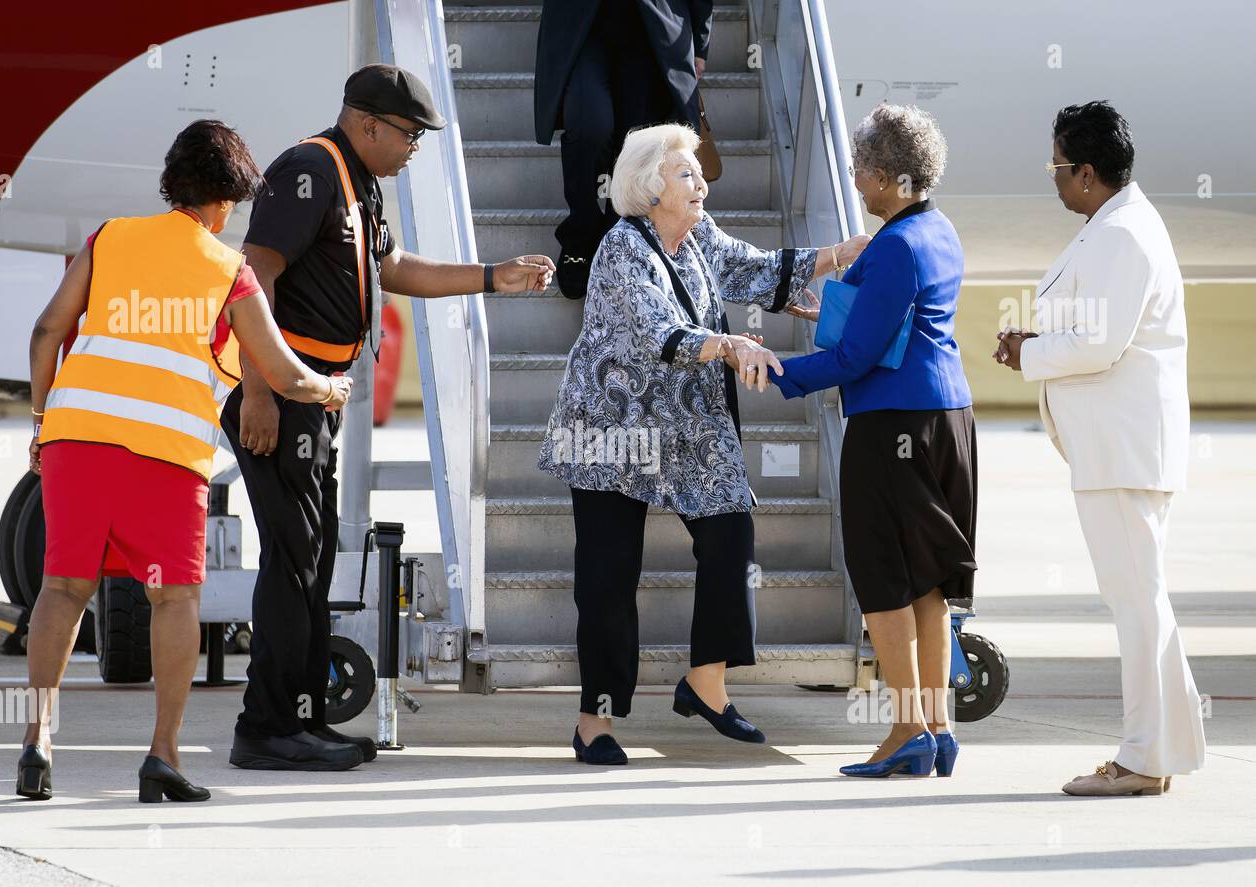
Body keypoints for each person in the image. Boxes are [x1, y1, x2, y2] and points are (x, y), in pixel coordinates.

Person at [226, 64, 555, 771]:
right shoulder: (311, 169)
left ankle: (299, 719)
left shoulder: (358, 181)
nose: (414, 147)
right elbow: (252, 275)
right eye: (408, 134)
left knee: (309, 563)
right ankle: (265, 727)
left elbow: (396, 268)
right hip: (283, 398)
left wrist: (493, 277)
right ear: (366, 123)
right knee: (293, 562)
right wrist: (257, 391)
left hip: (314, 398)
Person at [20, 120, 352, 803]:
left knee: (62, 588)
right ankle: (162, 756)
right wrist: (330, 388)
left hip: (76, 439)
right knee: (173, 598)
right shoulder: (230, 270)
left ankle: (37, 740)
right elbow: (284, 375)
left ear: (174, 182)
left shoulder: (110, 238)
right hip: (164, 453)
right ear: (228, 198)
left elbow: (48, 329)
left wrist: (41, 419)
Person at [538, 123, 868, 765]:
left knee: (731, 533)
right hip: (614, 429)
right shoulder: (619, 250)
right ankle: (595, 721)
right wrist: (729, 344)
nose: (701, 183)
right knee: (607, 578)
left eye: (698, 172)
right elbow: (656, 329)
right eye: (686, 173)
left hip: (690, 423)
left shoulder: (699, 237)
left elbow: (756, 269)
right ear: (648, 185)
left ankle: (706, 682)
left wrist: (837, 254)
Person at [994, 100, 1205, 797]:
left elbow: (1099, 344)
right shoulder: (1115, 226)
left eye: (1057, 167)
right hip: (1120, 449)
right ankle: (1159, 750)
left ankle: (1144, 759)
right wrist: (1037, 347)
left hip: (1123, 451)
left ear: (1086, 172)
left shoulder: (1122, 236)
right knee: (1142, 602)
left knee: (1137, 605)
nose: (1052, 180)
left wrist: (1029, 351)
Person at [769, 104, 973, 779]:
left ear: (887, 176)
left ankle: (904, 729)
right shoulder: (938, 232)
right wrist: (825, 309)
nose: (855, 181)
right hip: (946, 419)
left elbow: (856, 358)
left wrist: (777, 372)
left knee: (883, 578)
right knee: (928, 583)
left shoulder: (893, 245)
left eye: (861, 171)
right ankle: (936, 726)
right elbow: (896, 322)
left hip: (893, 425)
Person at [535, 0, 714, 298]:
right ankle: (581, 231)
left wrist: (700, 38)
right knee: (588, 123)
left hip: (654, 24)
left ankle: (616, 240)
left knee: (636, 141)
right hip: (580, 24)